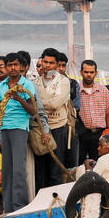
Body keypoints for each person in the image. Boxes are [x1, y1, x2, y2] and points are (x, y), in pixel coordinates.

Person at [0, 52, 38, 213]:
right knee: (6, 170)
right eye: (9, 65)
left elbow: (33, 111)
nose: (13, 68)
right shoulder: (1, 86)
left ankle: (20, 206)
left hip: (19, 127)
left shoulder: (27, 85)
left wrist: (19, 98)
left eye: (15, 65)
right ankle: (8, 207)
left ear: (21, 67)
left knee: (19, 169)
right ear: (6, 67)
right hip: (4, 129)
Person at [36, 47, 77, 187]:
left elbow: (54, 104)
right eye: (45, 62)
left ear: (56, 64)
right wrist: (45, 102)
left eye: (51, 63)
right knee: (41, 169)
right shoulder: (36, 81)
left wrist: (40, 102)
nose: (47, 66)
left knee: (56, 169)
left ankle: (55, 201)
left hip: (58, 128)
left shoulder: (64, 82)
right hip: (40, 129)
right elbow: (39, 103)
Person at [76, 59, 109, 164]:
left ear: (96, 73)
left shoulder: (103, 90)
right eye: (86, 72)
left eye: (91, 72)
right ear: (81, 72)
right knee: (79, 163)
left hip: (99, 134)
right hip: (81, 134)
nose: (89, 75)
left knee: (100, 163)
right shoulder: (76, 90)